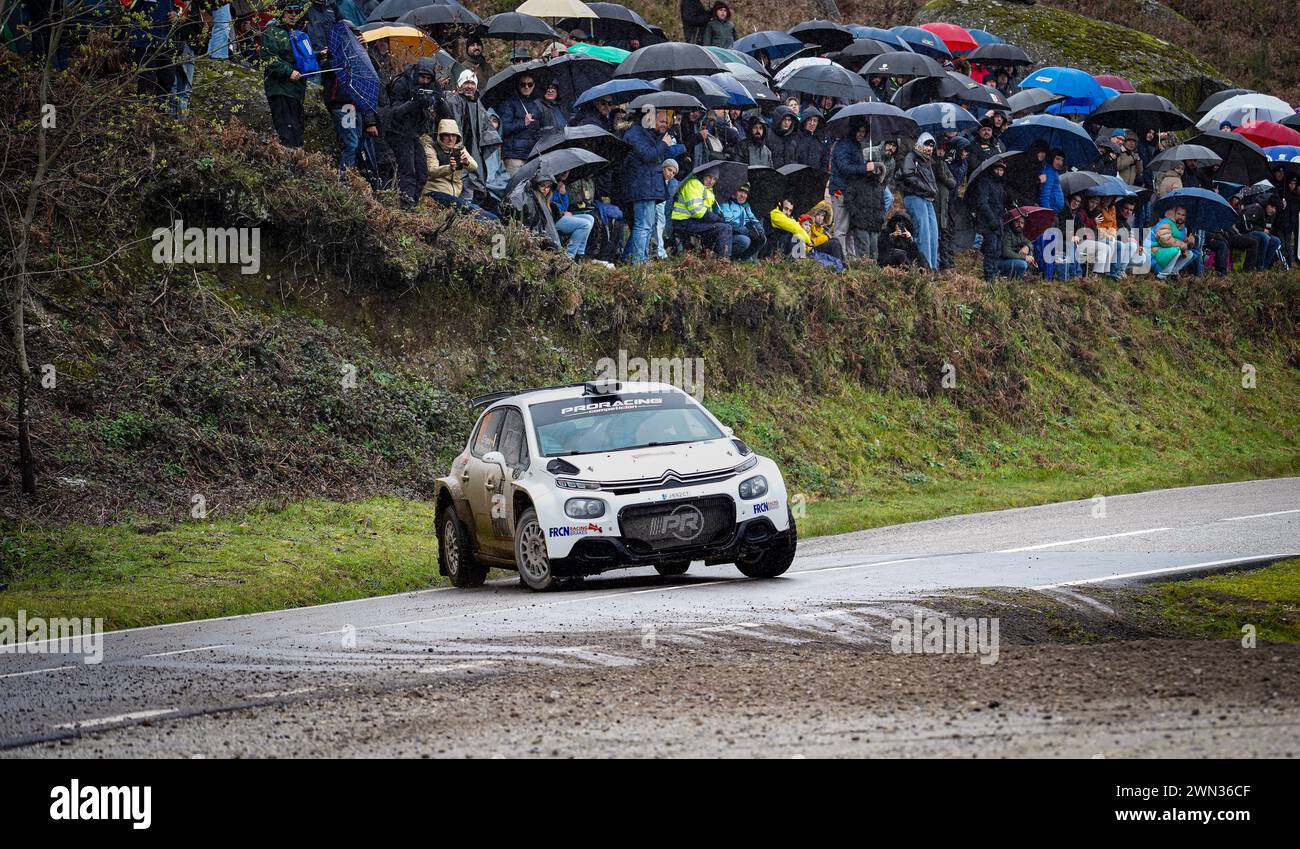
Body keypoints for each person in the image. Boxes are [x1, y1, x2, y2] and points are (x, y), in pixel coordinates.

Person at [622, 105, 685, 264]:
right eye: (662, 120)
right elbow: (648, 155)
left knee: (648, 227)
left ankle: (641, 261)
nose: (665, 124)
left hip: (649, 186)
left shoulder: (651, 134)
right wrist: (664, 142)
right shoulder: (635, 133)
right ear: (649, 118)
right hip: (641, 186)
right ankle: (637, 264)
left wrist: (683, 141)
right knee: (643, 226)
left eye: (667, 121)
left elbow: (664, 153)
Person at [386, 56, 444, 207]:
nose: (424, 81)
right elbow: (394, 112)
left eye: (427, 78)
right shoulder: (402, 83)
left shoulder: (433, 85)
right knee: (408, 172)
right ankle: (406, 208)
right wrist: (414, 102)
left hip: (414, 133)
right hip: (397, 131)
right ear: (417, 73)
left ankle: (413, 204)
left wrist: (432, 101)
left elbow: (442, 107)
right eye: (422, 77)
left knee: (422, 173)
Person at [424, 119, 497, 221]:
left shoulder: (460, 148)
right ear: (440, 136)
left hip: (454, 197)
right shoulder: (431, 148)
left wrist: (466, 162)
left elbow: (474, 166)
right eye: (447, 135)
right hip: (434, 193)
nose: (450, 139)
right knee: (471, 211)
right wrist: (449, 168)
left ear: (458, 137)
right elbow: (431, 171)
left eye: (453, 136)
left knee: (492, 217)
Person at [261, 1, 309, 149]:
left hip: (297, 91)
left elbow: (301, 59)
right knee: (287, 134)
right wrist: (288, 72)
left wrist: (319, 56)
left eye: (297, 11)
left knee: (297, 134)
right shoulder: (272, 31)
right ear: (282, 12)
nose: (294, 15)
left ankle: (297, 167)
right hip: (280, 89)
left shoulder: (299, 34)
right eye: (290, 11)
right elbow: (268, 57)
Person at [670, 163, 732, 259]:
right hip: (683, 221)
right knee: (724, 228)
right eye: (709, 177)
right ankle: (723, 261)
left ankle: (715, 258)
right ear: (704, 176)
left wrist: (718, 218)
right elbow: (697, 210)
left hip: (694, 221)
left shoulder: (708, 190)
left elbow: (706, 211)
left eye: (714, 179)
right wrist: (717, 219)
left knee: (725, 227)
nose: (711, 181)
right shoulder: (693, 184)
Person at [830, 122, 871, 258]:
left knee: (850, 230)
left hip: (852, 193)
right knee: (841, 228)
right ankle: (840, 259)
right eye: (859, 130)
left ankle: (851, 260)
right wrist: (864, 168)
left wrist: (867, 168)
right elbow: (844, 167)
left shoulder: (856, 145)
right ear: (853, 130)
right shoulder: (843, 145)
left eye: (864, 131)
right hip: (840, 190)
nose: (861, 134)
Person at [899, 132, 940, 270]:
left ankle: (933, 267)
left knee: (934, 233)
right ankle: (924, 267)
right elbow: (907, 174)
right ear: (920, 144)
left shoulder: (928, 161)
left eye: (931, 145)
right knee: (923, 232)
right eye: (927, 144)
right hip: (914, 197)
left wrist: (931, 191)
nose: (929, 148)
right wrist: (925, 188)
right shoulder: (912, 156)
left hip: (927, 198)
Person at [498, 72, 550, 174]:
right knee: (515, 188)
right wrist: (522, 123)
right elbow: (502, 129)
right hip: (514, 156)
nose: (526, 87)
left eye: (530, 84)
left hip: (532, 155)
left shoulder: (536, 104)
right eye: (523, 84)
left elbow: (538, 129)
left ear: (534, 85)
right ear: (518, 85)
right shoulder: (509, 103)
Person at [971, 160, 1007, 281]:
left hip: (998, 223)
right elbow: (982, 203)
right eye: (997, 169)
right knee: (991, 250)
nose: (999, 172)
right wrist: (992, 220)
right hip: (988, 223)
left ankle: (993, 276)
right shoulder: (985, 182)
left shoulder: (1001, 185)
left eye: (1001, 170)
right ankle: (989, 278)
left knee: (997, 251)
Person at [549, 170, 596, 260]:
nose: (566, 173)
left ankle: (580, 253)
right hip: (553, 219)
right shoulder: (549, 185)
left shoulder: (560, 184)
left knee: (590, 218)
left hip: (560, 215)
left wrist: (563, 194)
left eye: (568, 171)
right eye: (564, 171)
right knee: (585, 224)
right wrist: (562, 212)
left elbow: (565, 206)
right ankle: (569, 256)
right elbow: (549, 205)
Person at [511, 172, 563, 252]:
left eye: (548, 187)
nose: (546, 190)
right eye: (542, 186)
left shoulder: (545, 200)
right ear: (536, 185)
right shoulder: (531, 200)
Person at [1148, 205, 1201, 278]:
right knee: (1177, 250)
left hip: (1165, 252)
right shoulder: (1166, 222)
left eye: (1183, 215)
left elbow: (1183, 244)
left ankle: (1173, 272)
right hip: (1152, 252)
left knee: (1190, 254)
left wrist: (1190, 243)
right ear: (1174, 213)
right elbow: (1166, 241)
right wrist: (1185, 246)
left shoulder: (1182, 228)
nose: (1180, 217)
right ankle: (1162, 275)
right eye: (1178, 214)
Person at [718, 184, 766, 261]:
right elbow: (730, 223)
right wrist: (748, 232)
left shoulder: (745, 206)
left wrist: (760, 231)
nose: (743, 195)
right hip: (726, 235)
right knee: (745, 240)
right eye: (740, 191)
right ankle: (729, 258)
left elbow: (753, 220)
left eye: (745, 193)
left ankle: (741, 260)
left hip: (739, 234)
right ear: (734, 192)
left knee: (761, 239)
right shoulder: (725, 202)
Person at [655, 159, 681, 259]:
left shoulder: (667, 183)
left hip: (661, 207)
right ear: (663, 168)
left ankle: (660, 251)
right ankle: (659, 252)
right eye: (669, 170)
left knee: (661, 224)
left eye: (674, 173)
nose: (671, 174)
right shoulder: (658, 181)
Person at [998, 210, 1035, 278]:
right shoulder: (1007, 233)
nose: (1019, 224)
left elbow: (1029, 242)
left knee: (1030, 252)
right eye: (1017, 222)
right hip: (1001, 261)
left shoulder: (1019, 233)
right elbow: (1006, 252)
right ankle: (1015, 276)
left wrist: (1027, 247)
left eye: (1022, 223)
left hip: (1011, 260)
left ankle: (1023, 275)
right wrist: (1025, 257)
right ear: (1012, 222)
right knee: (1023, 264)